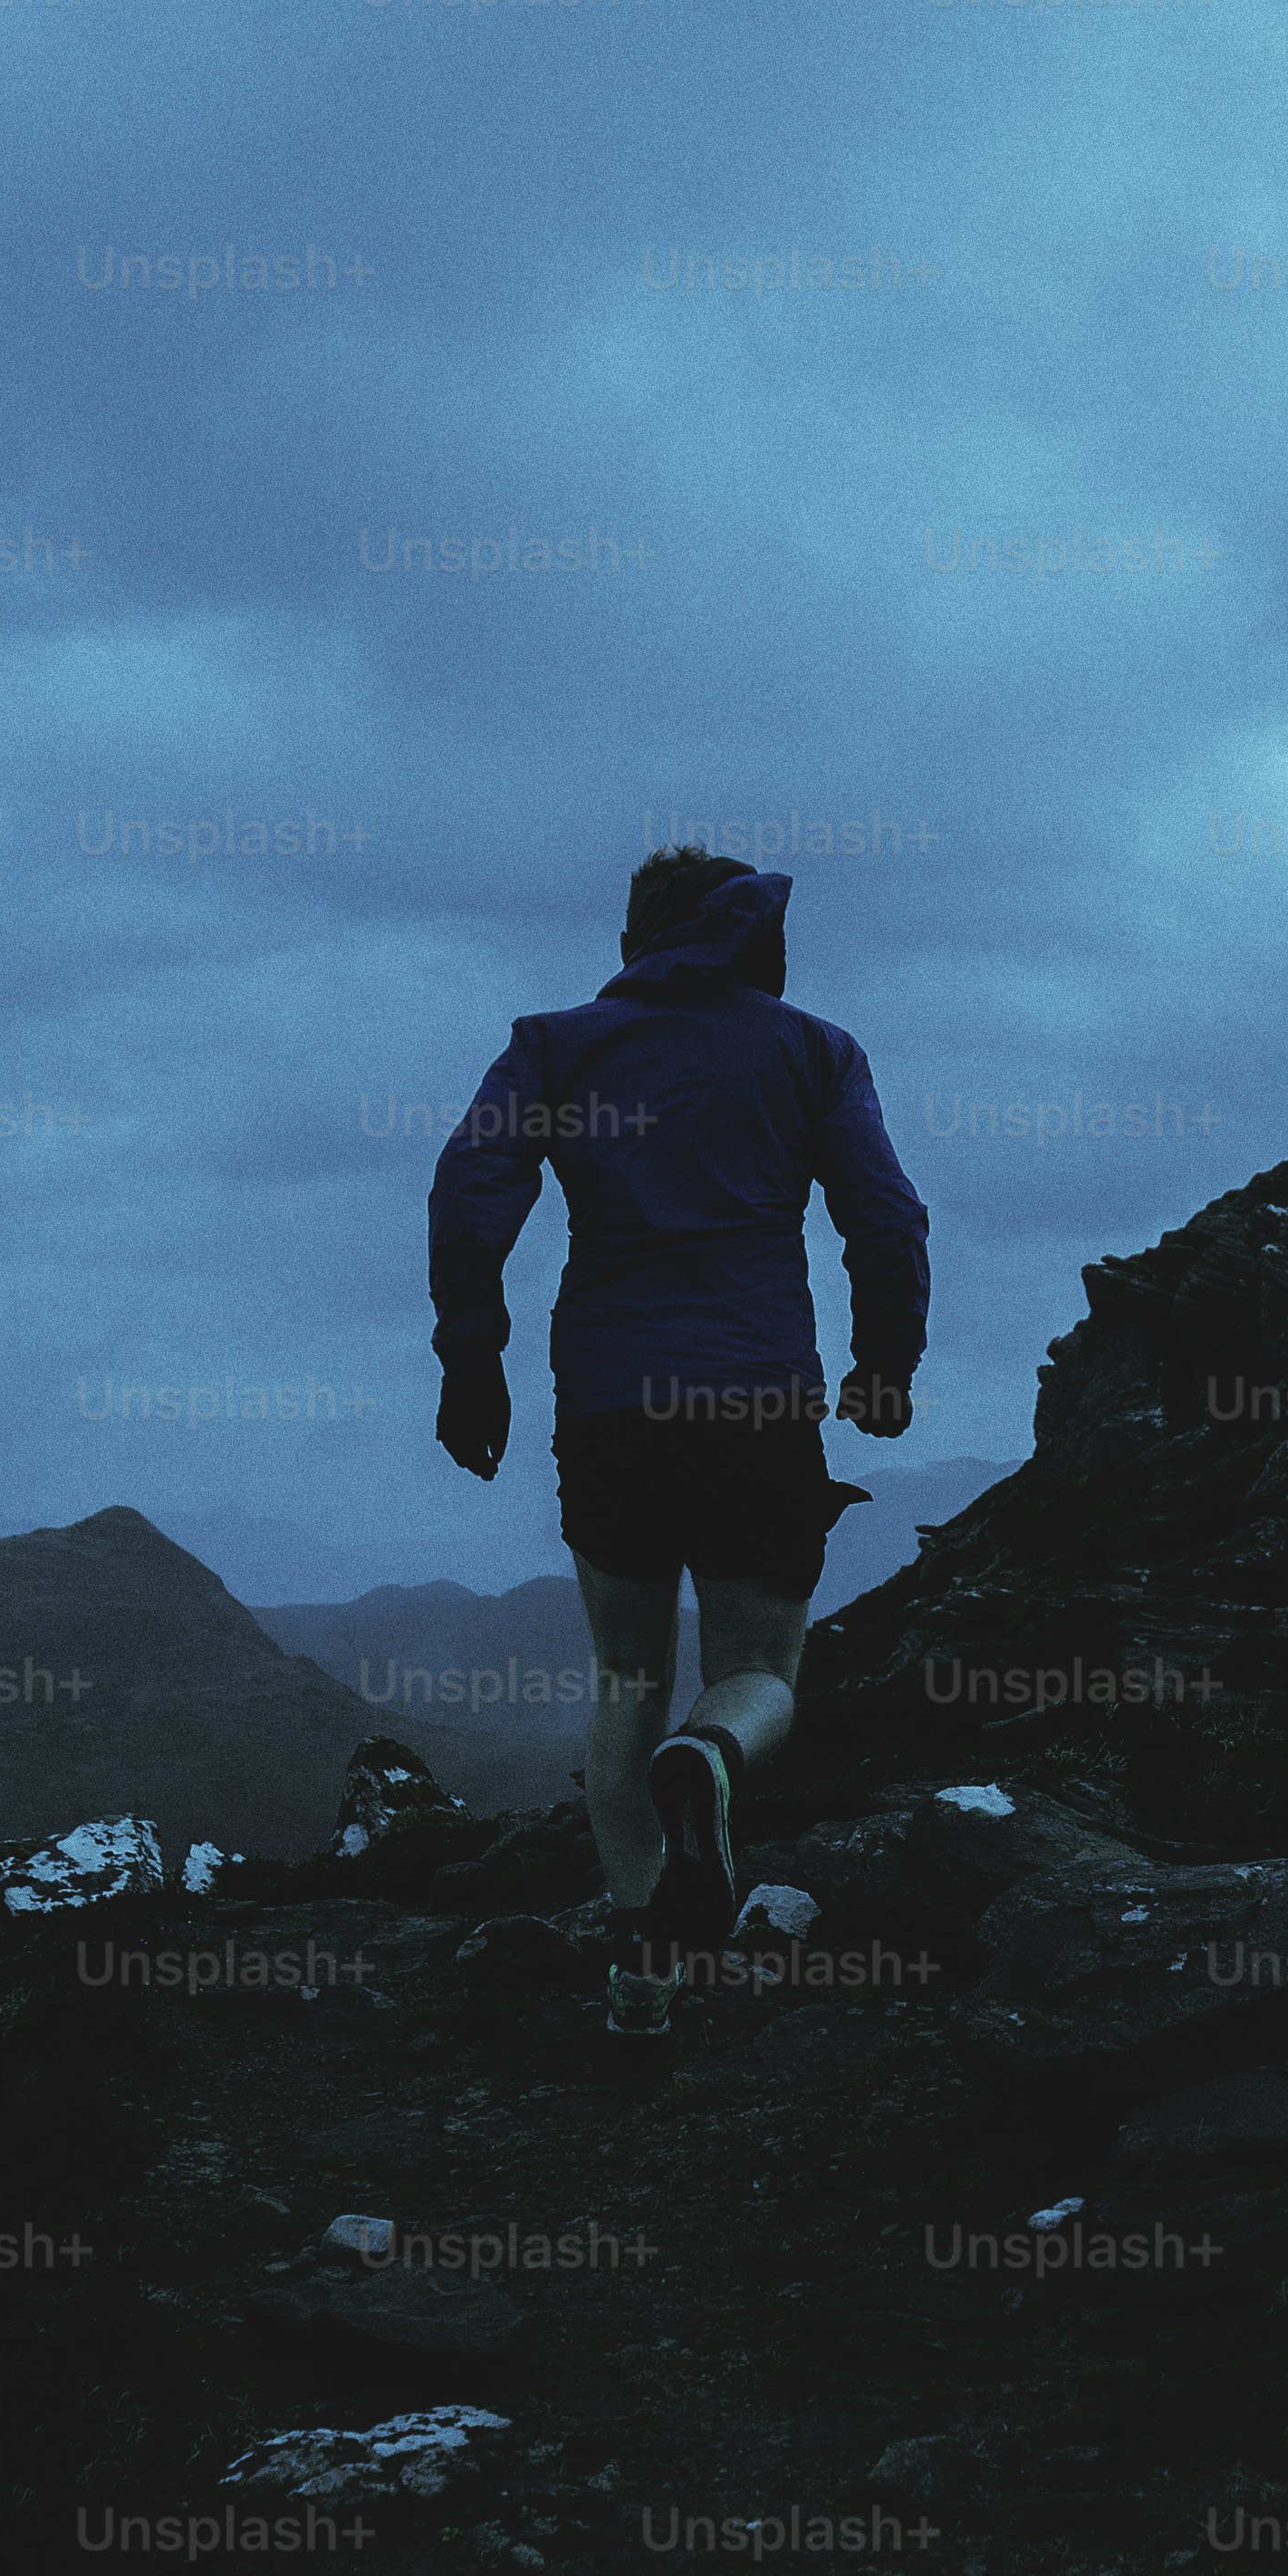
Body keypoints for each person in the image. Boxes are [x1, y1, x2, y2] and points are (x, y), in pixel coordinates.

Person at [428, 848, 928, 2039]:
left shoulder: (554, 1046)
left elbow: (468, 1194)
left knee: (626, 1674)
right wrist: (884, 1363)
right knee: (758, 1671)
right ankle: (714, 1754)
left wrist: (471, 1361)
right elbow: (885, 1216)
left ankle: (643, 1973)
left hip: (609, 1402)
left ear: (634, 936)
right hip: (758, 1400)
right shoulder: (814, 1051)